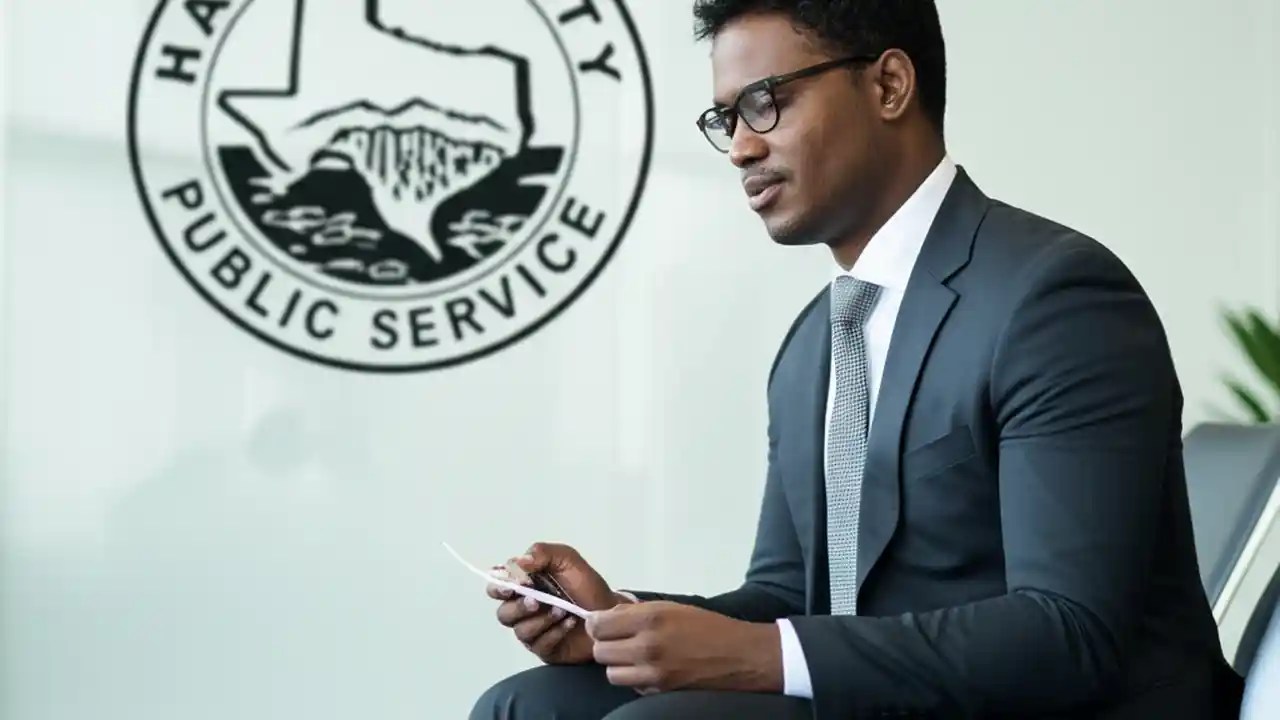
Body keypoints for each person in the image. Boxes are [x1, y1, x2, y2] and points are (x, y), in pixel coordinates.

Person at [470, 1, 1245, 718]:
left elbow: (1071, 633)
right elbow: (789, 595)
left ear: (890, 85)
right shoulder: (816, 341)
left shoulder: (1055, 299)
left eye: (767, 100)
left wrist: (759, 654)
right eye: (725, 117)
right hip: (888, 696)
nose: (741, 146)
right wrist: (617, 623)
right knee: (525, 706)